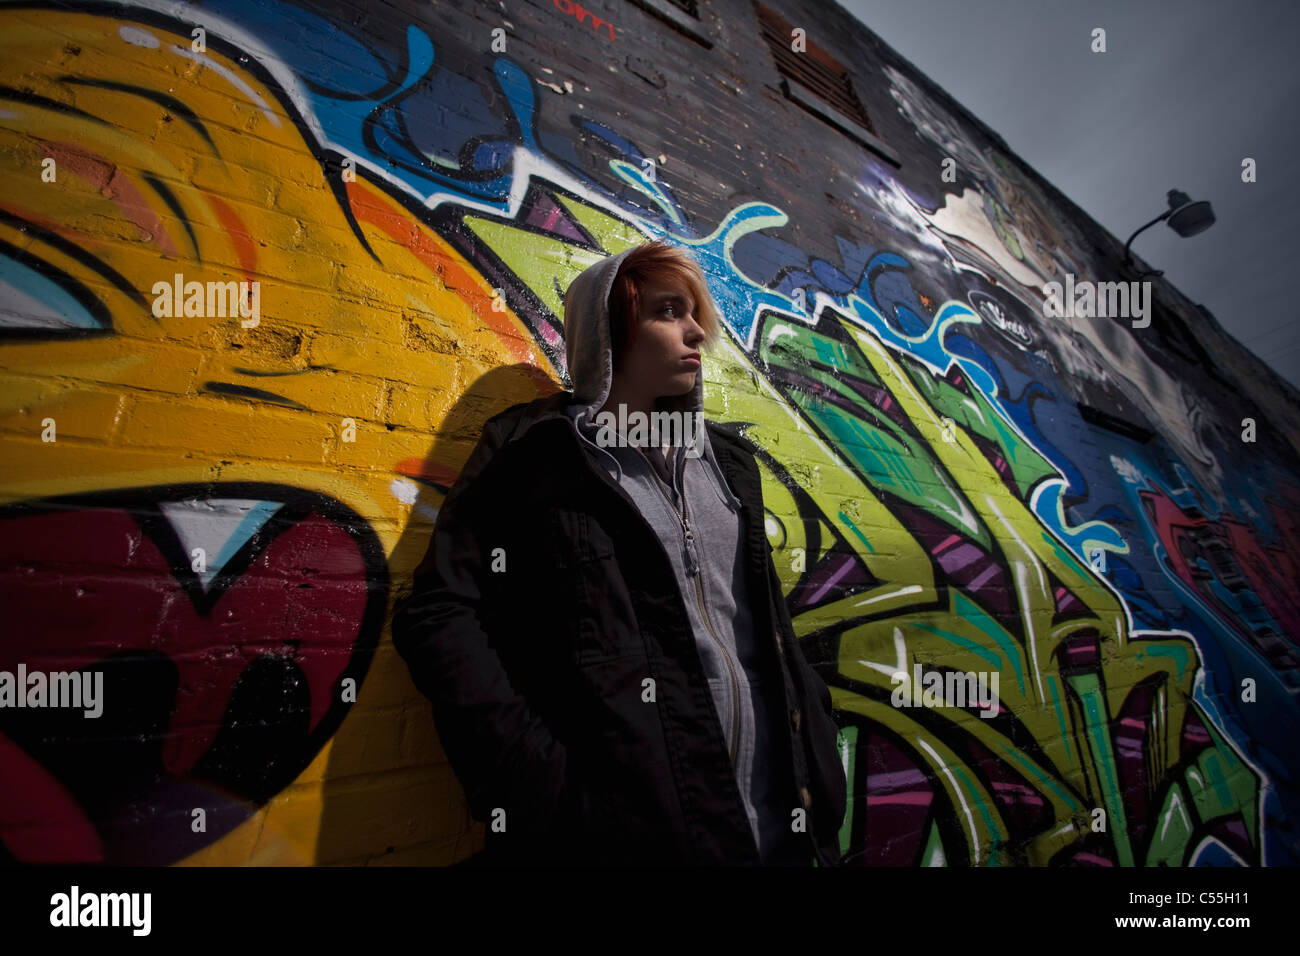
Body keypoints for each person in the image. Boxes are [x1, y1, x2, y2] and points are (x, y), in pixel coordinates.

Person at [390, 240, 846, 866]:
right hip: (636, 837)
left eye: (694, 313)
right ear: (610, 333)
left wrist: (816, 733)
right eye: (667, 311)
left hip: (784, 830)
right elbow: (440, 611)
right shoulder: (535, 455)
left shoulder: (730, 465)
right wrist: (539, 786)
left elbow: (763, 628)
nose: (695, 331)